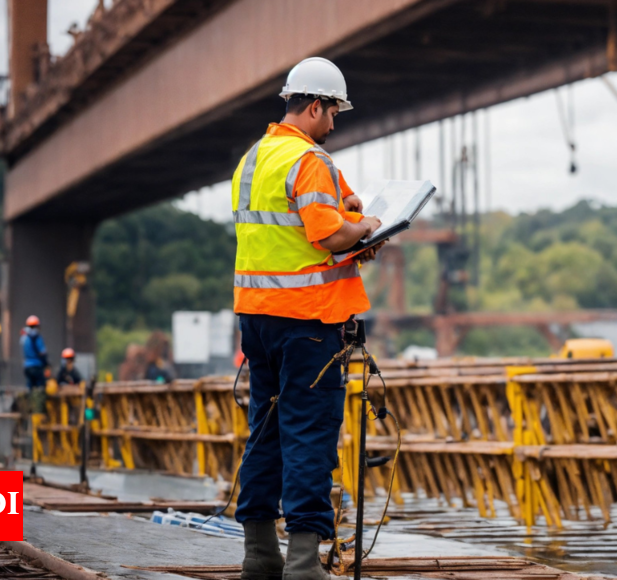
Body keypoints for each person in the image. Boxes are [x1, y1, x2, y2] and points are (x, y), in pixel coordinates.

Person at [232, 56, 383, 580]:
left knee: (266, 430)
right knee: (309, 434)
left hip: (258, 320)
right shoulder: (309, 159)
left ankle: (259, 556)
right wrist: (370, 228)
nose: (334, 123)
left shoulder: (254, 158)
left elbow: (289, 241)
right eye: (333, 112)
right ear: (314, 106)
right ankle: (301, 563)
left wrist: (350, 227)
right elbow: (327, 236)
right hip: (308, 323)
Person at [20, 315, 49, 414]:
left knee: (30, 388)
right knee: (41, 388)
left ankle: (29, 409)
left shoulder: (24, 338)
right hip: (37, 366)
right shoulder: (37, 338)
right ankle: (40, 410)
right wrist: (46, 363)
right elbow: (42, 352)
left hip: (27, 367)